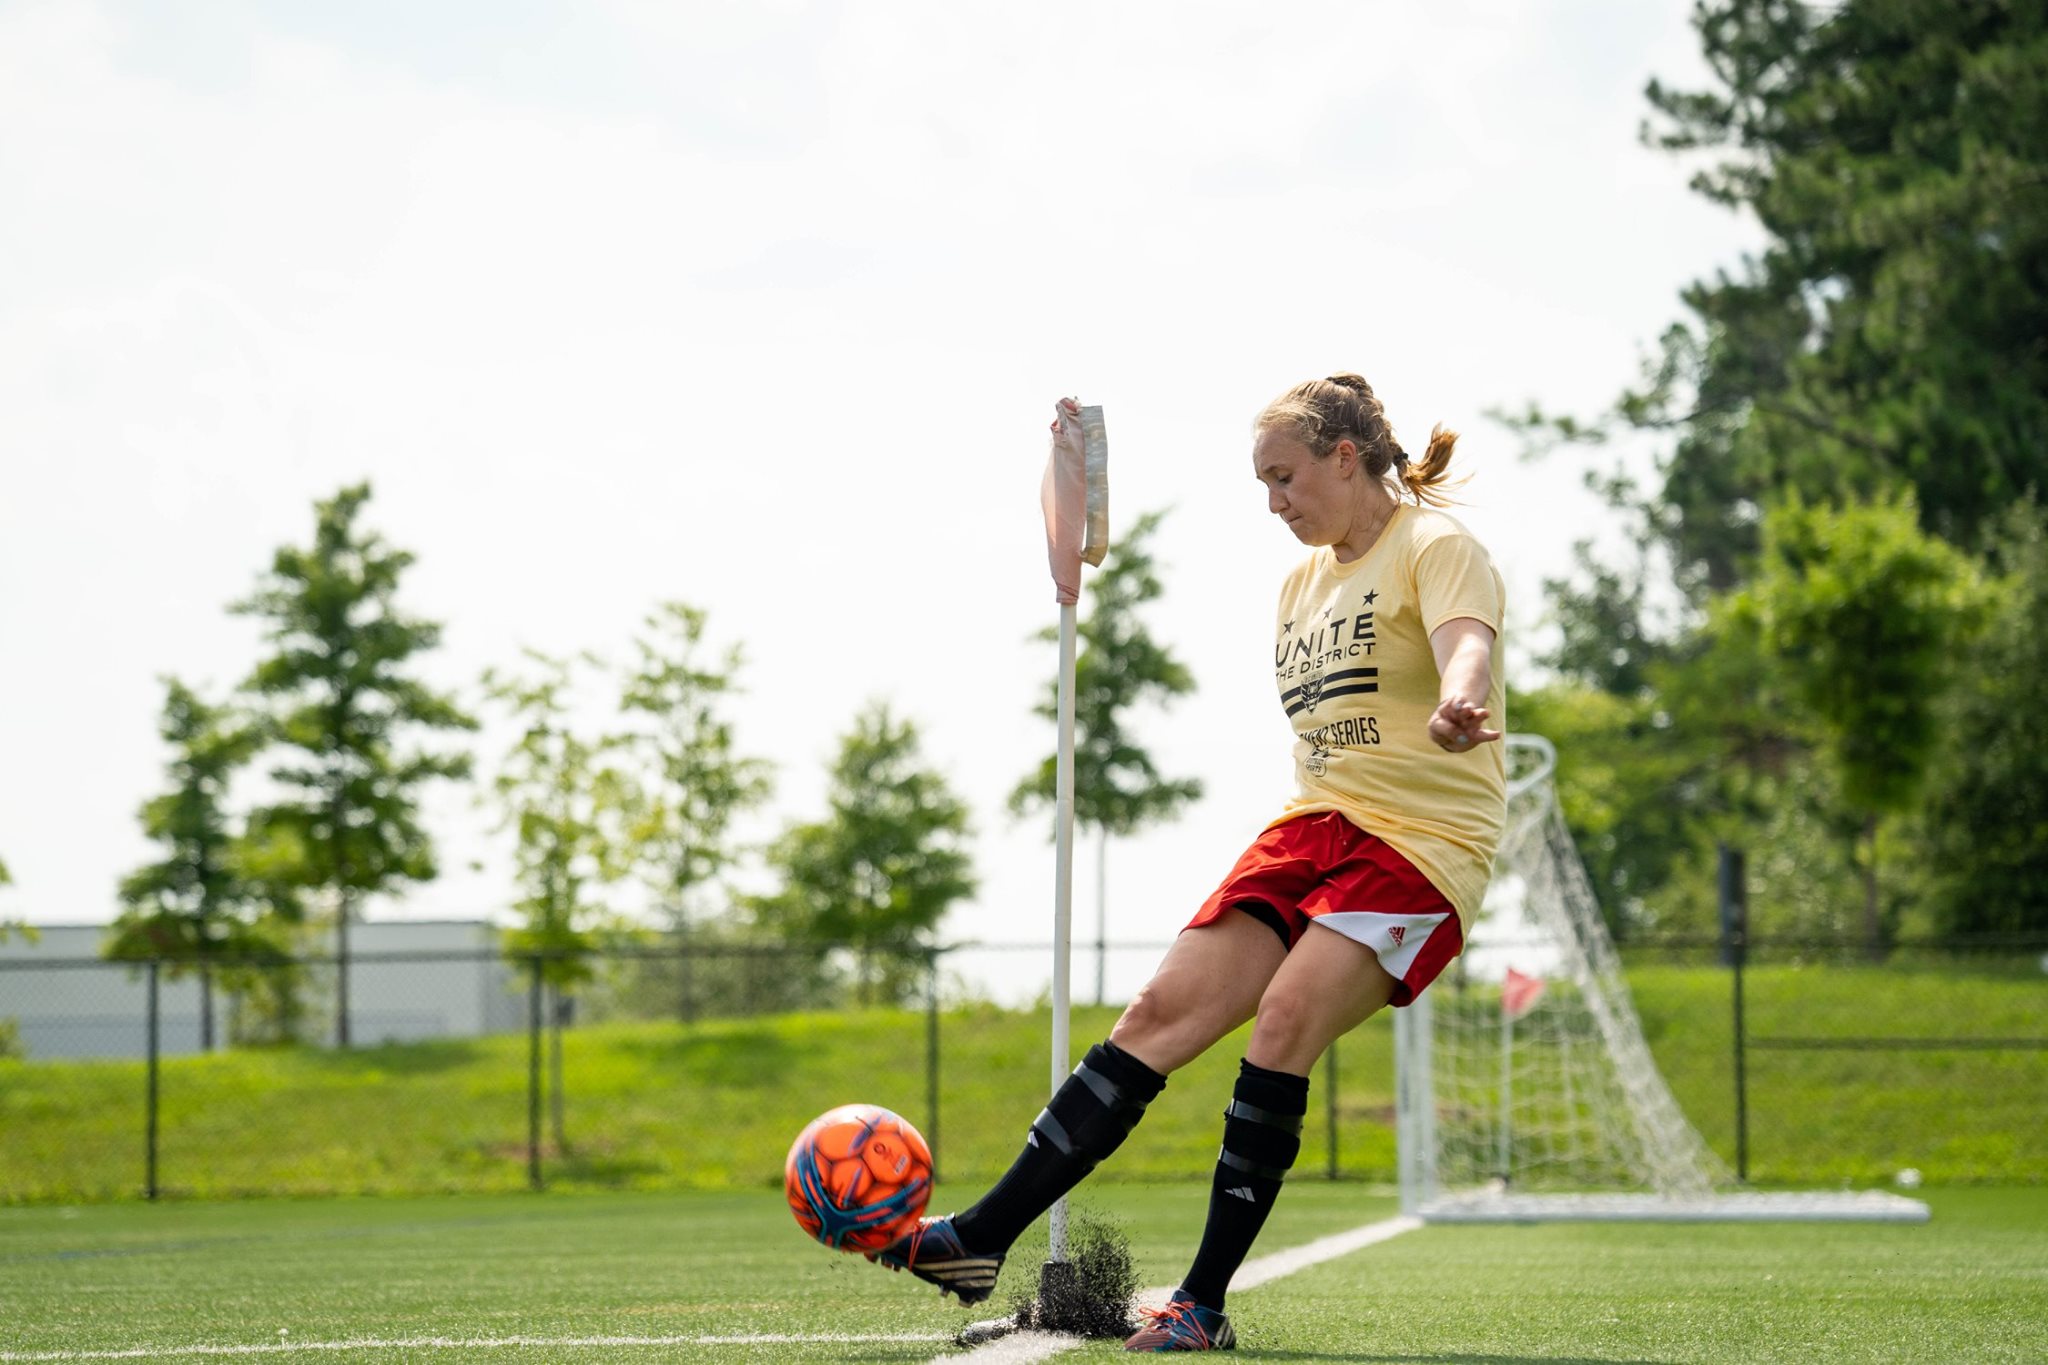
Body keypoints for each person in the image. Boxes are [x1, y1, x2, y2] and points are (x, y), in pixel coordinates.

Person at [871, 373, 1508, 1353]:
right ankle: (978, 1239)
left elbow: (1466, 644)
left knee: (1283, 1021)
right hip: (1314, 825)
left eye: (1284, 477)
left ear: (1345, 458)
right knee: (1155, 1015)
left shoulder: (1435, 546)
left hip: (1424, 844)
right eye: (1262, 484)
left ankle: (1200, 1304)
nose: (1274, 502)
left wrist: (1462, 697)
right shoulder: (1300, 583)